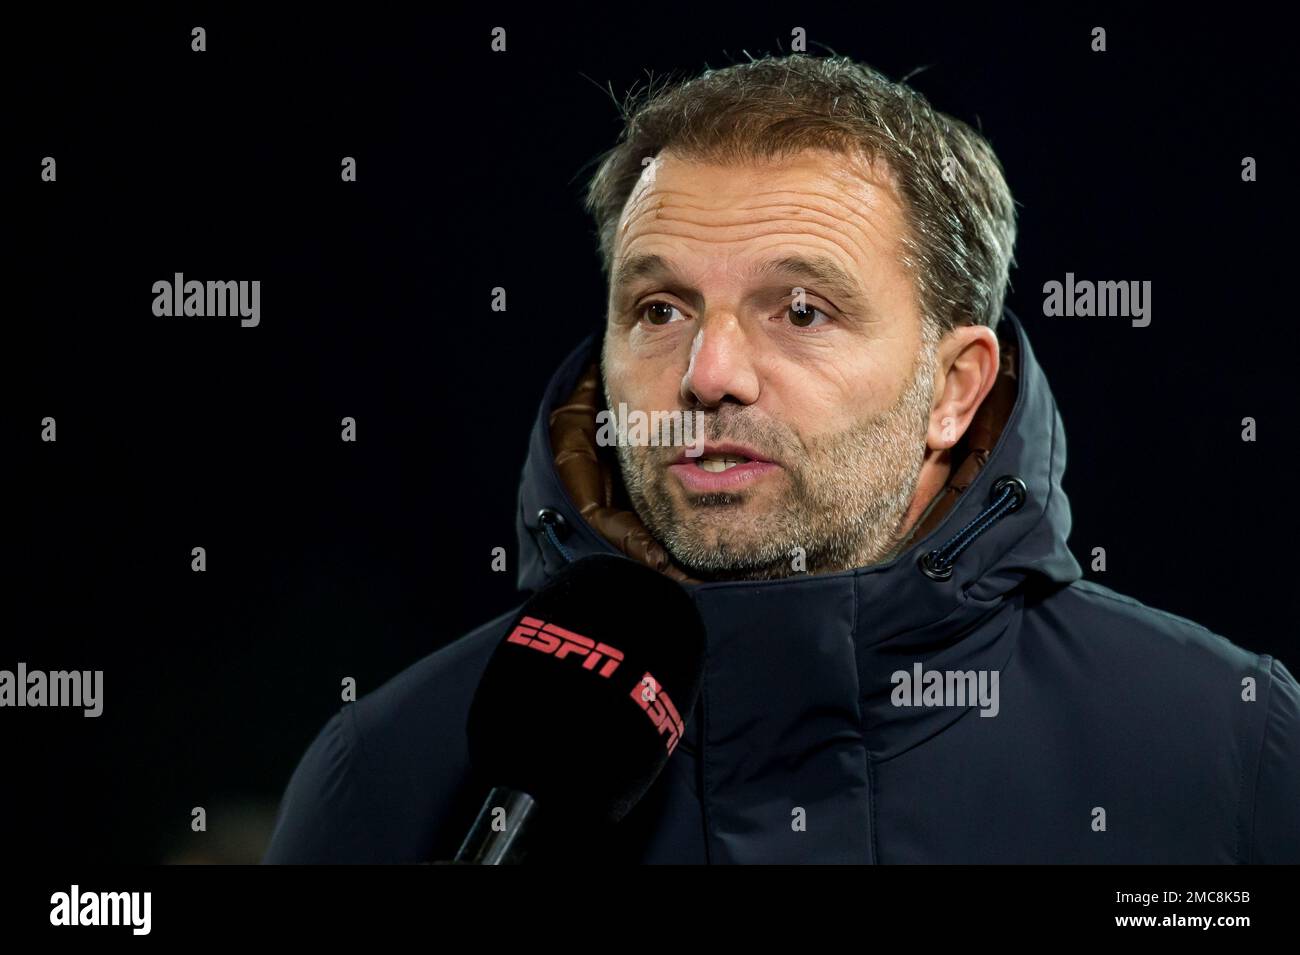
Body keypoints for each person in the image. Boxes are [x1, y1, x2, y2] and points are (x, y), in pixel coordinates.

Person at [263, 54, 1299, 863]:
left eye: (800, 309)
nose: (709, 373)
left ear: (953, 390)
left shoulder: (1224, 746)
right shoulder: (394, 770)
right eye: (660, 308)